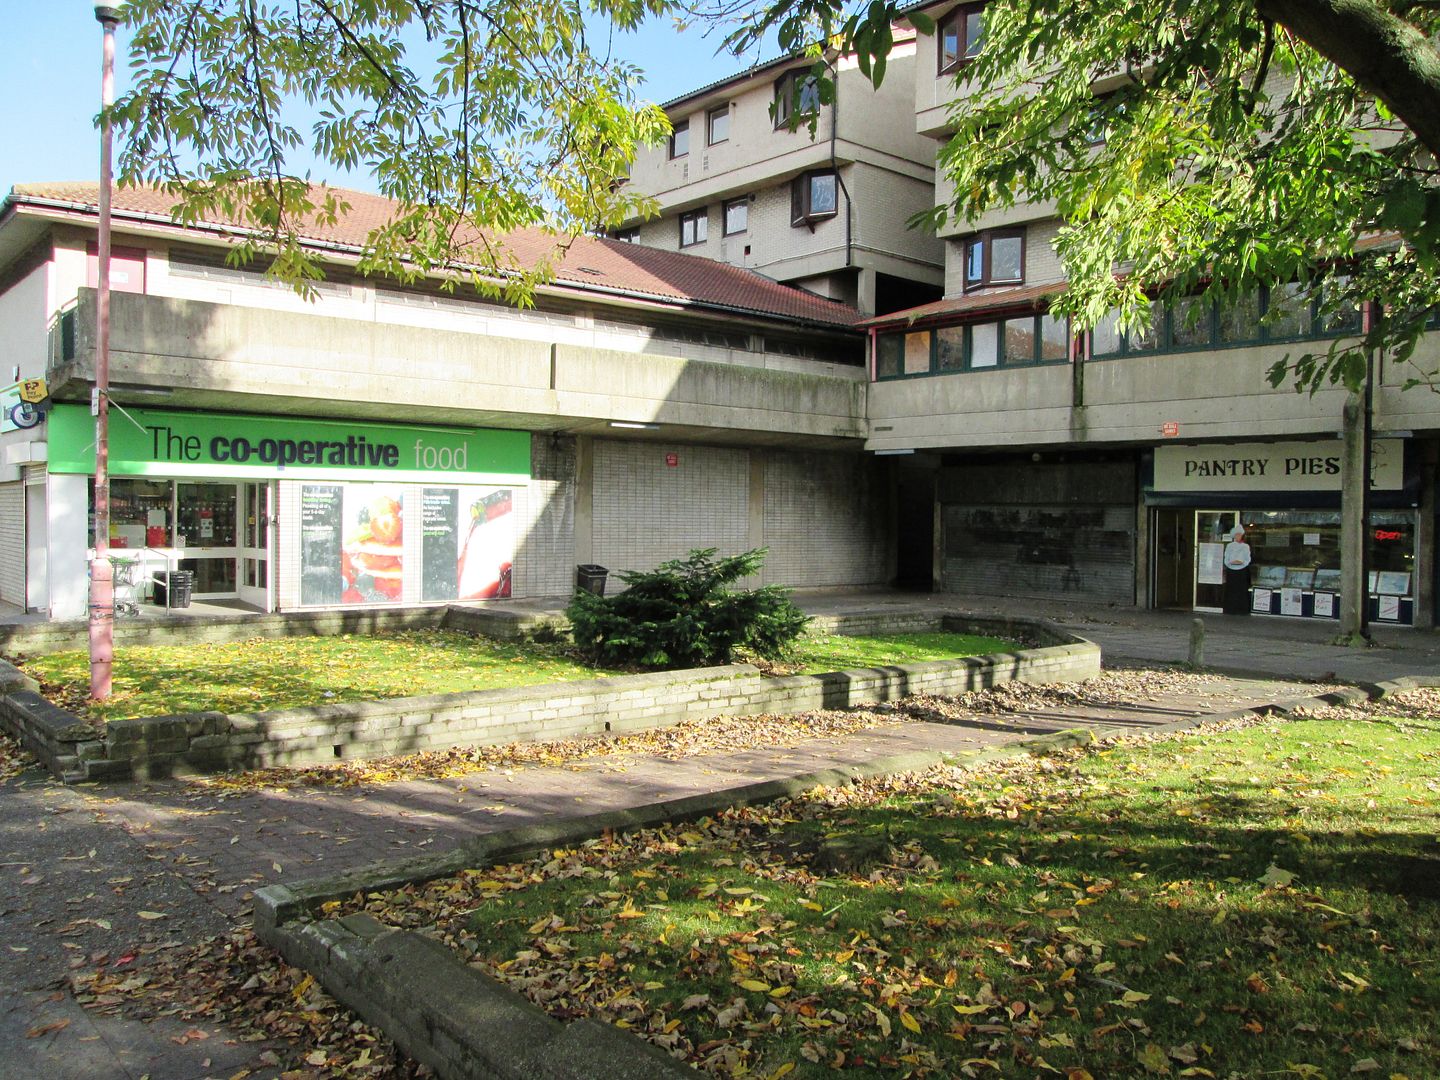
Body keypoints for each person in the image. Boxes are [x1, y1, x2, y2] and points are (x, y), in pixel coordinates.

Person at [1222, 525, 1253, 615]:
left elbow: (1248, 558)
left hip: (1241, 571)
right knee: (1231, 590)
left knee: (1241, 590)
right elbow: (1226, 558)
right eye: (1236, 535)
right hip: (1231, 571)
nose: (1238, 537)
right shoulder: (1229, 546)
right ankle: (1230, 609)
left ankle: (1241, 609)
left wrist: (1242, 563)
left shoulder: (1245, 546)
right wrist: (1230, 563)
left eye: (1239, 535)